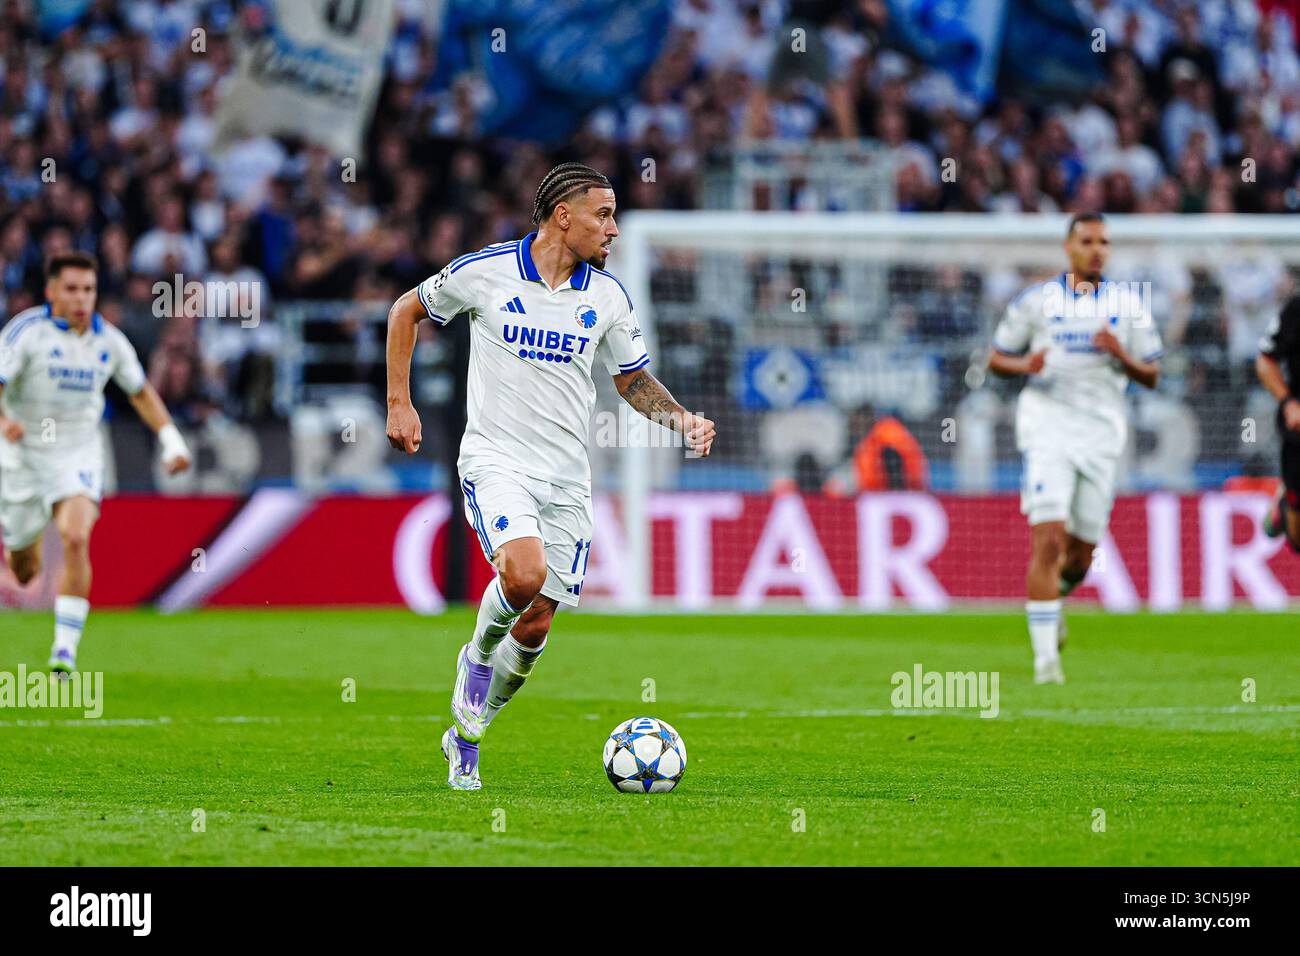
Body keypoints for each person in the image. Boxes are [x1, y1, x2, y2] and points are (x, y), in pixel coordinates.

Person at [385, 163, 716, 790]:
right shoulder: (487, 272)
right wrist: (400, 402)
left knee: (536, 622)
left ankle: (467, 731)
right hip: (495, 458)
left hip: (567, 477)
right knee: (523, 572)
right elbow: (407, 310)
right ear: (564, 215)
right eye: (604, 215)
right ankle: (475, 659)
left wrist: (680, 420)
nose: (614, 229)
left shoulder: (608, 297)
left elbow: (631, 380)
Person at [987, 213, 1162, 683]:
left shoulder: (1129, 306)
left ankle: (1055, 600)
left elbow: (1153, 375)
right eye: (1087, 241)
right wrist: (1027, 364)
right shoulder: (1036, 302)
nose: (1097, 249)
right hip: (1047, 429)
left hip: (1102, 437)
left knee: (1081, 557)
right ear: (1068, 247)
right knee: (1047, 540)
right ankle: (1046, 662)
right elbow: (995, 358)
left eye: (1104, 241)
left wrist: (1120, 354)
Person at [0, 252, 193, 673]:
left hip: (77, 451)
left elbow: (140, 391)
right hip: (21, 457)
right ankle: (21, 549)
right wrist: (4, 421)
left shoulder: (109, 341)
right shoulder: (26, 333)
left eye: (88, 289)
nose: (81, 298)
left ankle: (64, 650)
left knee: (74, 536)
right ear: (51, 292)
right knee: (25, 568)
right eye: (71, 289)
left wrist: (171, 441)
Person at [1257, 296, 1300, 552]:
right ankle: (1286, 502)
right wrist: (1288, 403)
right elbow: (1265, 360)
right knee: (1297, 541)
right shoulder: (1295, 310)